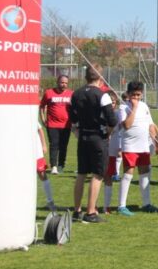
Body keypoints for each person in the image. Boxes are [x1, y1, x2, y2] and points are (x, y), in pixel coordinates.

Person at [69, 63, 118, 223]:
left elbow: (73, 119)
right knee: (97, 175)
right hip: (98, 137)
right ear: (100, 78)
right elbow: (112, 120)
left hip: (83, 136)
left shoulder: (75, 94)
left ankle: (77, 210)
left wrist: (77, 132)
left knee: (81, 173)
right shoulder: (102, 95)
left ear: (86, 77)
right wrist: (108, 134)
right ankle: (91, 212)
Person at [116, 81, 158, 215]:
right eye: (133, 95)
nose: (136, 97)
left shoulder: (145, 106)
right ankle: (121, 206)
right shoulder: (123, 108)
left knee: (145, 173)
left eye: (138, 95)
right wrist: (134, 108)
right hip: (130, 146)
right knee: (128, 174)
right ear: (128, 94)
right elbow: (127, 125)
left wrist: (156, 144)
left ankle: (146, 203)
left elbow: (151, 125)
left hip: (144, 146)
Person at [39, 74, 73, 174]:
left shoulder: (71, 94)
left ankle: (61, 165)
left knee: (63, 146)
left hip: (66, 125)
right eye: (62, 82)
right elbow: (42, 106)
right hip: (52, 124)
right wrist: (43, 119)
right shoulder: (49, 93)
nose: (64, 84)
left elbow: (75, 108)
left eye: (66, 83)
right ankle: (53, 166)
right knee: (54, 145)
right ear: (57, 82)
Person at [103, 90, 122, 214]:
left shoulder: (118, 114)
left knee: (108, 177)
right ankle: (96, 206)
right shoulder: (100, 114)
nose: (112, 105)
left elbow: (121, 131)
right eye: (109, 103)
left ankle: (107, 206)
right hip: (102, 149)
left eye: (114, 102)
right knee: (99, 177)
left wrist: (120, 146)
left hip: (112, 151)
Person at [35, 121, 55, 211]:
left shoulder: (29, 116)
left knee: (42, 174)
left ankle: (50, 201)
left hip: (37, 151)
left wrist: (44, 145)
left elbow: (40, 129)